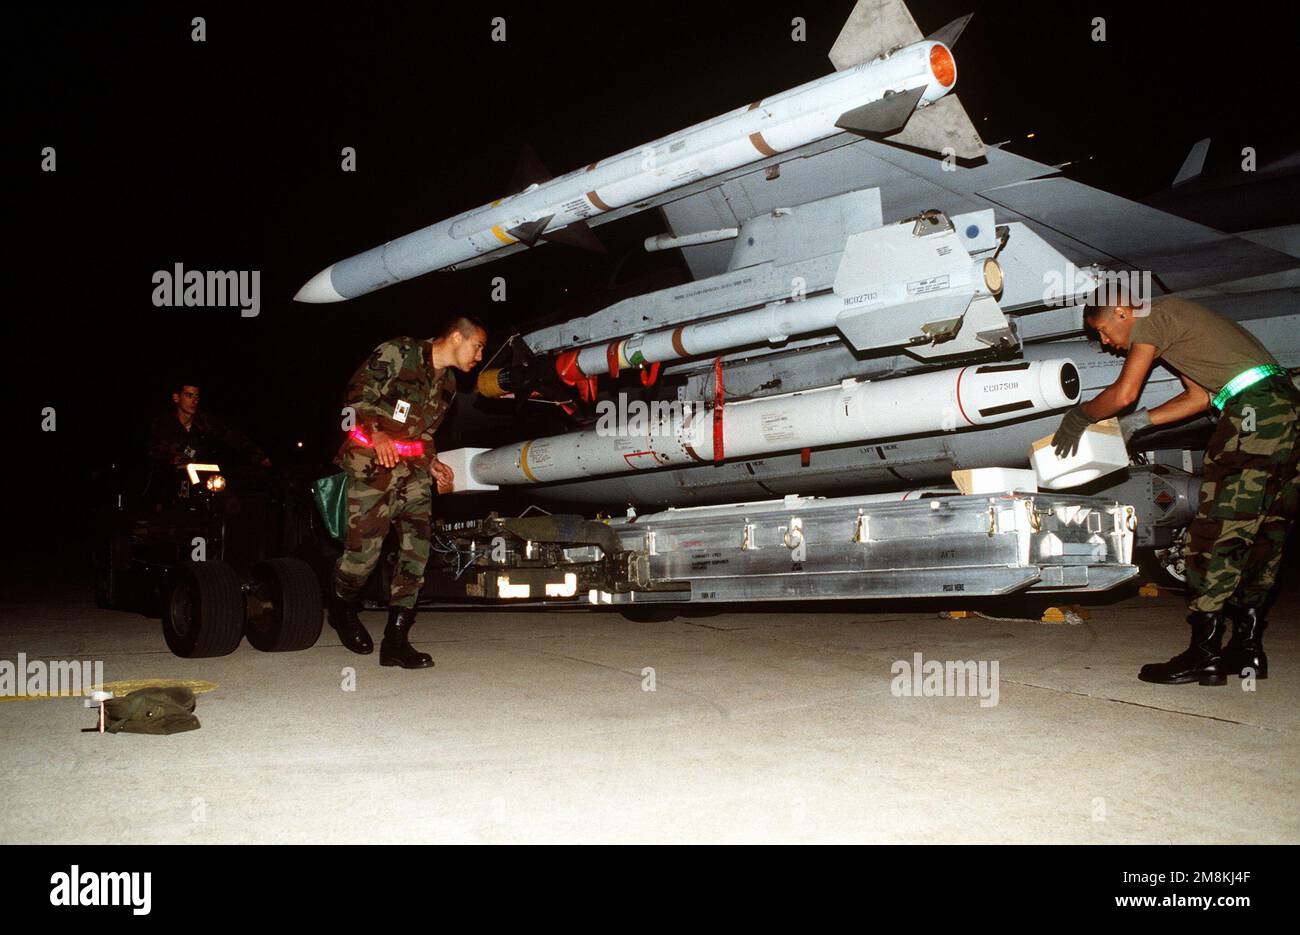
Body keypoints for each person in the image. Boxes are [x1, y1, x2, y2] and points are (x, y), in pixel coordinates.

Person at [1052, 295, 1299, 685]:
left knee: (1214, 533)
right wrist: (1135, 425)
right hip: (1285, 411)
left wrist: (1078, 417)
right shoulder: (1177, 324)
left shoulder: (1152, 314)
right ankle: (1247, 648)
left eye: (1103, 331)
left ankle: (1204, 655)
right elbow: (1199, 398)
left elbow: (1125, 392)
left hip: (1252, 415)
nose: (1105, 343)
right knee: (1265, 533)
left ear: (1122, 311)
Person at [327, 316, 487, 669]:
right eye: (477, 347)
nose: (479, 357)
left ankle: (396, 642)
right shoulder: (400, 351)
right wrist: (377, 433)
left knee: (417, 551)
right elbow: (354, 397)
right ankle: (340, 605)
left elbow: (424, 434)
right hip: (371, 465)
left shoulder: (448, 385)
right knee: (363, 558)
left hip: (412, 473)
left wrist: (433, 463)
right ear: (456, 337)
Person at [148, 382, 272, 468]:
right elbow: (154, 450)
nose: (194, 401)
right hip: (169, 477)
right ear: (176, 398)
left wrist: (259, 456)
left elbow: (233, 436)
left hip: (202, 475)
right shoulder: (163, 423)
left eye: (196, 396)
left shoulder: (205, 421)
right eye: (189, 395)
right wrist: (172, 458)